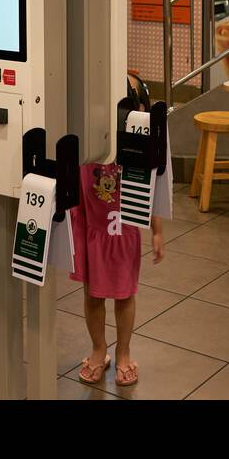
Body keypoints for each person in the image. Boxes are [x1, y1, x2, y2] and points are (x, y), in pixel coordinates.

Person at [71, 157, 166, 387]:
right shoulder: (86, 136)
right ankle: (98, 348)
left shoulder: (133, 133)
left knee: (125, 295)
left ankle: (123, 351)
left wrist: (157, 231)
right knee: (92, 294)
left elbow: (150, 184)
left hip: (123, 229)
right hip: (91, 226)